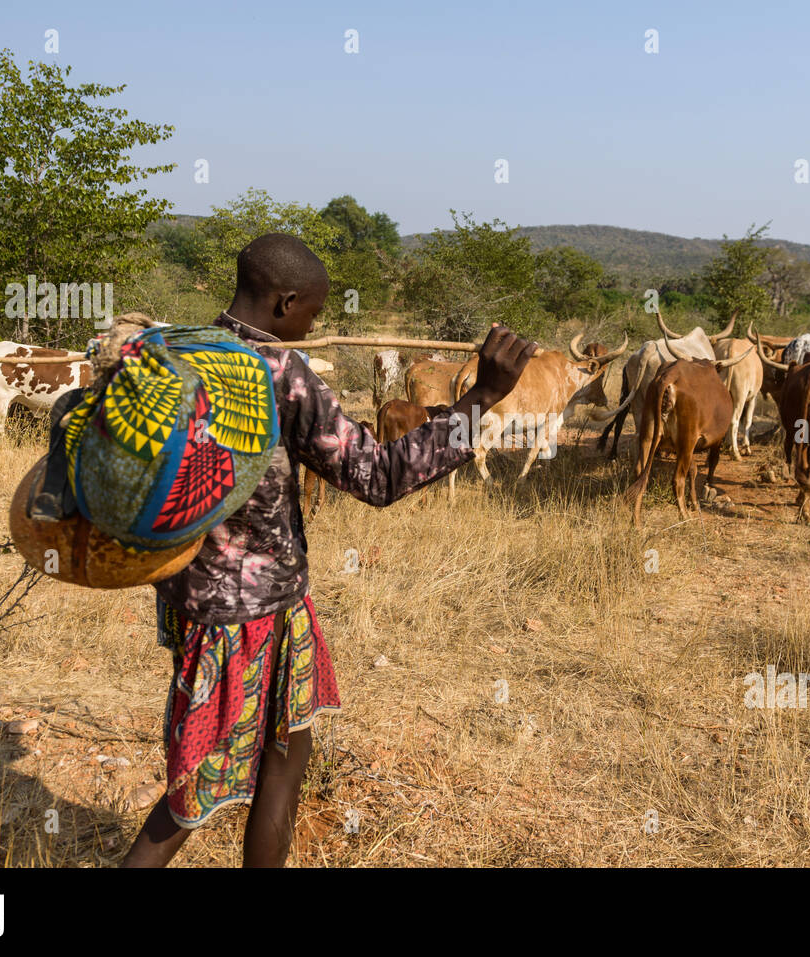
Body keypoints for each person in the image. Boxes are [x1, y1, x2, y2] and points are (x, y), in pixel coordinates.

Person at [121, 232, 535, 867]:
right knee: (207, 790)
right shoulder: (277, 373)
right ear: (286, 303)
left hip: (193, 603)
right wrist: (480, 401)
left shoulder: (186, 351)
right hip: (253, 617)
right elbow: (377, 476)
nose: (314, 325)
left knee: (266, 762)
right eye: (313, 313)